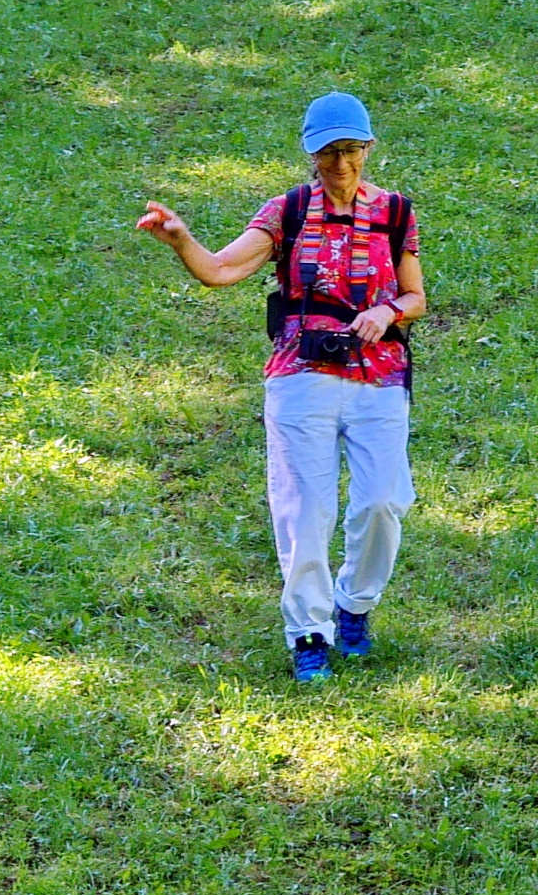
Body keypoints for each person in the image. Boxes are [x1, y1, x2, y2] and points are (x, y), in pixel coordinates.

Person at [136, 91, 425, 683]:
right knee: (306, 510)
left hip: (378, 377)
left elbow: (416, 296)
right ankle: (310, 633)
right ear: (310, 154)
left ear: (368, 148)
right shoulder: (287, 211)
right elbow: (221, 270)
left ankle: (355, 604)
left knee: (384, 501)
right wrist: (182, 239)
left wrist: (387, 312)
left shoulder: (395, 212)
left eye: (351, 151)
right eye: (328, 153)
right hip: (301, 379)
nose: (340, 165)